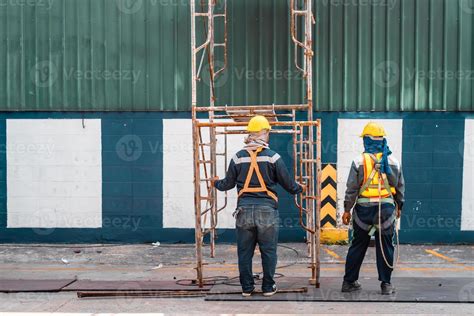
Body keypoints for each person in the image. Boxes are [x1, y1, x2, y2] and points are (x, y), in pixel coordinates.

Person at [211, 115, 305, 297]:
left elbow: (226, 184)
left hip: (244, 211)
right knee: (268, 251)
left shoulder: (238, 158)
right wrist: (301, 187)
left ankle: (247, 288)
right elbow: (289, 185)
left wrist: (215, 182)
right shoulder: (273, 157)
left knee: (244, 252)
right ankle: (268, 287)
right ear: (264, 133)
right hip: (267, 211)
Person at [341, 122, 405, 295]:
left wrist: (347, 210)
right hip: (385, 210)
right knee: (385, 246)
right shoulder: (393, 161)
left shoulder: (358, 161)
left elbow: (351, 189)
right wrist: (399, 206)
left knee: (358, 245)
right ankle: (386, 284)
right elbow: (400, 188)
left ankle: (349, 282)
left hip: (363, 210)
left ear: (366, 140)